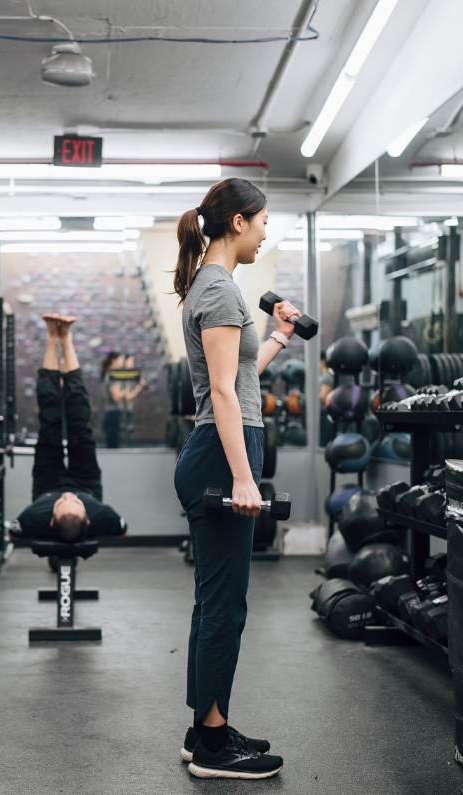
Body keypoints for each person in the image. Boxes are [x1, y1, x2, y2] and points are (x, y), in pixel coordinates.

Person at [173, 178, 299, 781]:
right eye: (264, 222)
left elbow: (240, 375)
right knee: (225, 606)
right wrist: (245, 478)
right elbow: (221, 393)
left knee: (214, 603)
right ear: (240, 222)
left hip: (222, 446)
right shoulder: (221, 291)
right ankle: (214, 748)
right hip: (223, 453)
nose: (267, 233)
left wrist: (277, 336)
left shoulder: (216, 287)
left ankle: (209, 726)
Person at [14, 314, 127, 543]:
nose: (67, 496)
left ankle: (52, 337)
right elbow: (121, 528)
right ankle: (66, 338)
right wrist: (80, 498)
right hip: (87, 484)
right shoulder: (103, 517)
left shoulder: (32, 519)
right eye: (74, 503)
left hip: (46, 485)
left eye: (62, 503)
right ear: (87, 519)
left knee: (49, 418)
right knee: (79, 419)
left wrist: (59, 500)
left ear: (51, 520)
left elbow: (14, 529)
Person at [100, 351, 126, 448]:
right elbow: (116, 396)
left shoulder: (110, 374)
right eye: (120, 359)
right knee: (113, 447)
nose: (122, 361)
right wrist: (126, 391)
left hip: (111, 414)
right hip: (113, 414)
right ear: (114, 360)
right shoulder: (112, 375)